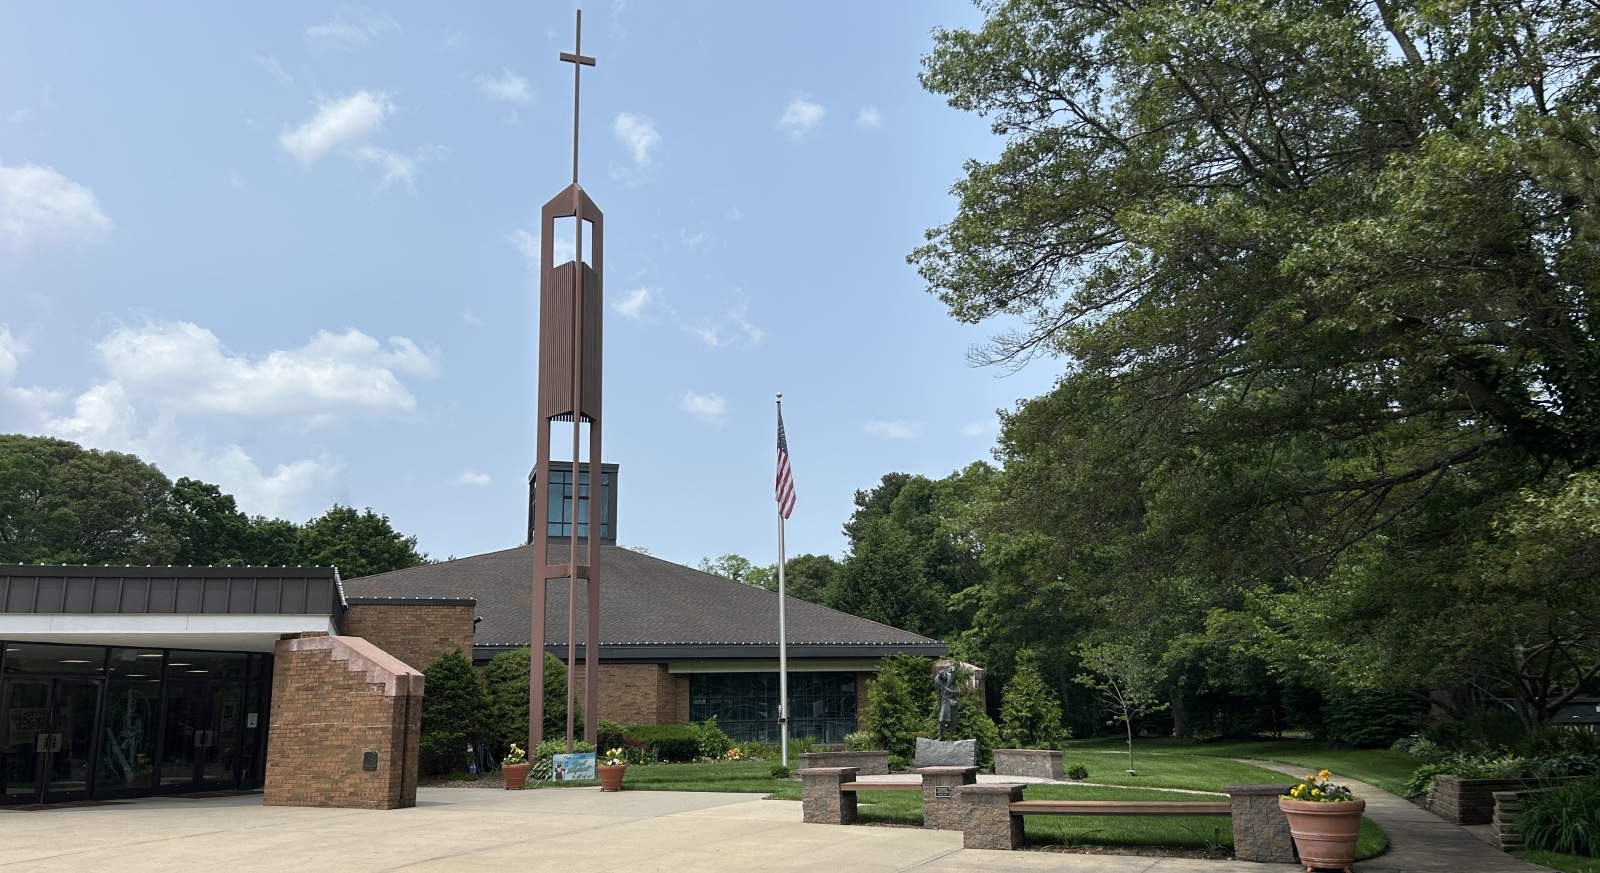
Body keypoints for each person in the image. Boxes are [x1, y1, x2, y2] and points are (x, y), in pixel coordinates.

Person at [934, 665, 959, 740]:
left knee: (952, 721)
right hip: (944, 701)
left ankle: (950, 738)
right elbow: (938, 693)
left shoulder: (950, 677)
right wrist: (938, 704)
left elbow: (955, 675)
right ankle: (941, 736)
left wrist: (952, 668)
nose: (945, 676)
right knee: (941, 720)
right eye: (943, 675)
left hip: (951, 700)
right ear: (941, 677)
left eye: (945, 674)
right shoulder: (938, 681)